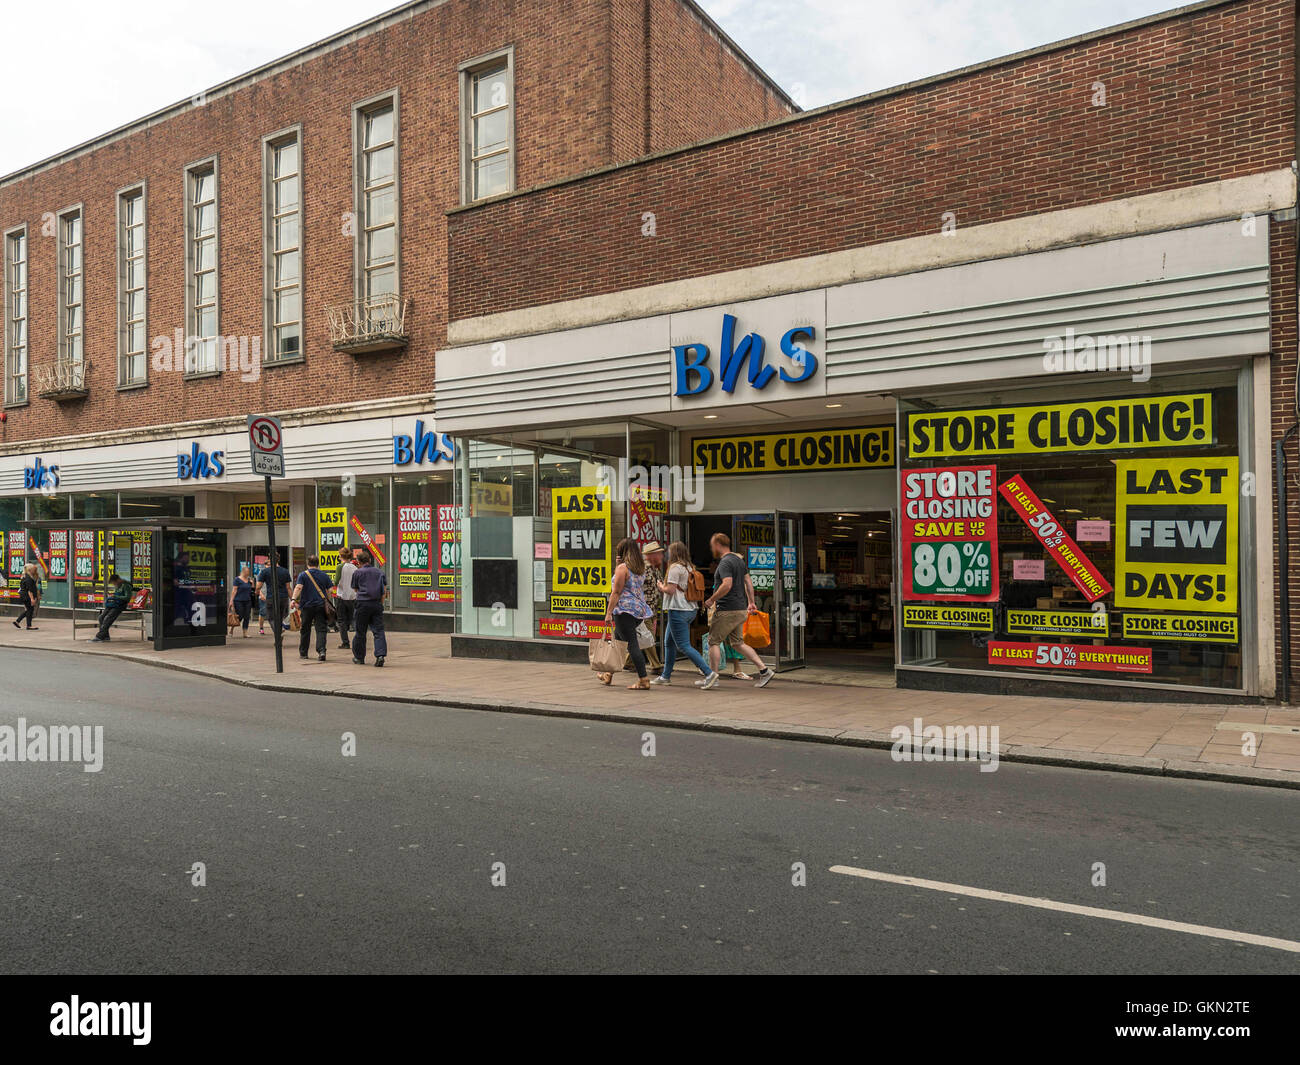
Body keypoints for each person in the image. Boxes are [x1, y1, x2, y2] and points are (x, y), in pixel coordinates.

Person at [698, 532, 774, 689]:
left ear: (718, 545)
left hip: (727, 609)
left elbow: (727, 584)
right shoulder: (739, 561)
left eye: (712, 545)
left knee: (713, 641)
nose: (711, 548)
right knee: (737, 643)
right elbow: (748, 582)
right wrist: (751, 602)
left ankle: (712, 677)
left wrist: (712, 599)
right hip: (740, 609)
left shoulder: (725, 563)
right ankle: (764, 670)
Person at [651, 541, 715, 686]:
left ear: (674, 553)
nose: (667, 554)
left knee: (683, 645)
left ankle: (709, 673)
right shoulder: (689, 567)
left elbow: (671, 590)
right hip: (690, 609)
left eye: (669, 551)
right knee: (669, 642)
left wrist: (661, 586)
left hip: (678, 609)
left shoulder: (675, 568)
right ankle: (665, 676)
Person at [598, 538, 654, 690]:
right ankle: (608, 674)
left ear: (622, 552)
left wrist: (608, 613)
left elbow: (616, 592)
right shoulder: (639, 567)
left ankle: (643, 679)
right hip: (637, 611)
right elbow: (628, 585)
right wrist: (617, 566)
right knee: (617, 642)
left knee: (631, 646)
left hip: (624, 610)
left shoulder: (623, 568)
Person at [291, 554, 334, 662]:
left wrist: (293, 599)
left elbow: (299, 587)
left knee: (305, 629)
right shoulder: (324, 575)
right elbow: (330, 590)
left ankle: (304, 653)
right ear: (318, 563)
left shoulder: (303, 575)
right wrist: (327, 600)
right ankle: (322, 651)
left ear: (308, 563)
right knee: (321, 629)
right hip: (320, 606)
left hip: (306, 606)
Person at [350, 550, 388, 667]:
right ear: (370, 560)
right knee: (378, 631)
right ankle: (380, 655)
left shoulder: (357, 573)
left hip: (362, 603)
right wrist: (380, 604)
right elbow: (384, 591)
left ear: (358, 562)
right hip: (376, 604)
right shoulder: (379, 572)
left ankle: (359, 657)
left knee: (360, 631)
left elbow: (355, 589)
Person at [640, 540, 665, 673]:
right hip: (643, 609)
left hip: (652, 609)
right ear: (652, 555)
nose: (662, 556)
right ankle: (655, 665)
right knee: (648, 636)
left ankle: (628, 662)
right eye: (660, 554)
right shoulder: (642, 568)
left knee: (643, 637)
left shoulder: (656, 569)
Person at [256, 550, 292, 634]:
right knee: (280, 617)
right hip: (283, 598)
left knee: (271, 618)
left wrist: (258, 591)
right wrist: (293, 599)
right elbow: (288, 588)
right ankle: (278, 635)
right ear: (278, 559)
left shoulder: (265, 572)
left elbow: (258, 586)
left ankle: (278, 633)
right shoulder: (285, 571)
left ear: (269, 560)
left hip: (271, 597)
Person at [93, 572, 133, 642]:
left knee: (108, 618)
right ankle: (106, 636)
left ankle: (100, 636)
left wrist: (116, 596)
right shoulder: (118, 586)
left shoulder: (126, 586)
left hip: (120, 605)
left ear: (117, 580)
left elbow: (127, 597)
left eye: (114, 583)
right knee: (101, 617)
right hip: (113, 604)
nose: (114, 584)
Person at [332, 547, 359, 651]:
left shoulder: (340, 566)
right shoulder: (355, 568)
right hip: (353, 596)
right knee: (353, 619)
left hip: (342, 596)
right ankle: (359, 639)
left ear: (340, 556)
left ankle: (345, 642)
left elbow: (336, 581)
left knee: (342, 620)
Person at [12, 562, 41, 631]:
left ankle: (18, 621)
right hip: (27, 596)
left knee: (29, 610)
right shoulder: (28, 578)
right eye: (33, 569)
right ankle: (28, 625)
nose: (34, 570)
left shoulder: (24, 576)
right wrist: (32, 599)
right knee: (30, 610)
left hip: (24, 595)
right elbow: (29, 590)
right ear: (30, 570)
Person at [230, 565, 254, 638]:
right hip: (238, 600)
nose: (248, 573)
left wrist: (252, 583)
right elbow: (234, 590)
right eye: (246, 572)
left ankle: (245, 633)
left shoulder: (249, 580)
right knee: (239, 616)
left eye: (248, 572)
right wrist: (231, 601)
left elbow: (252, 590)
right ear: (243, 572)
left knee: (246, 616)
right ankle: (232, 629)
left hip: (247, 600)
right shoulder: (237, 579)